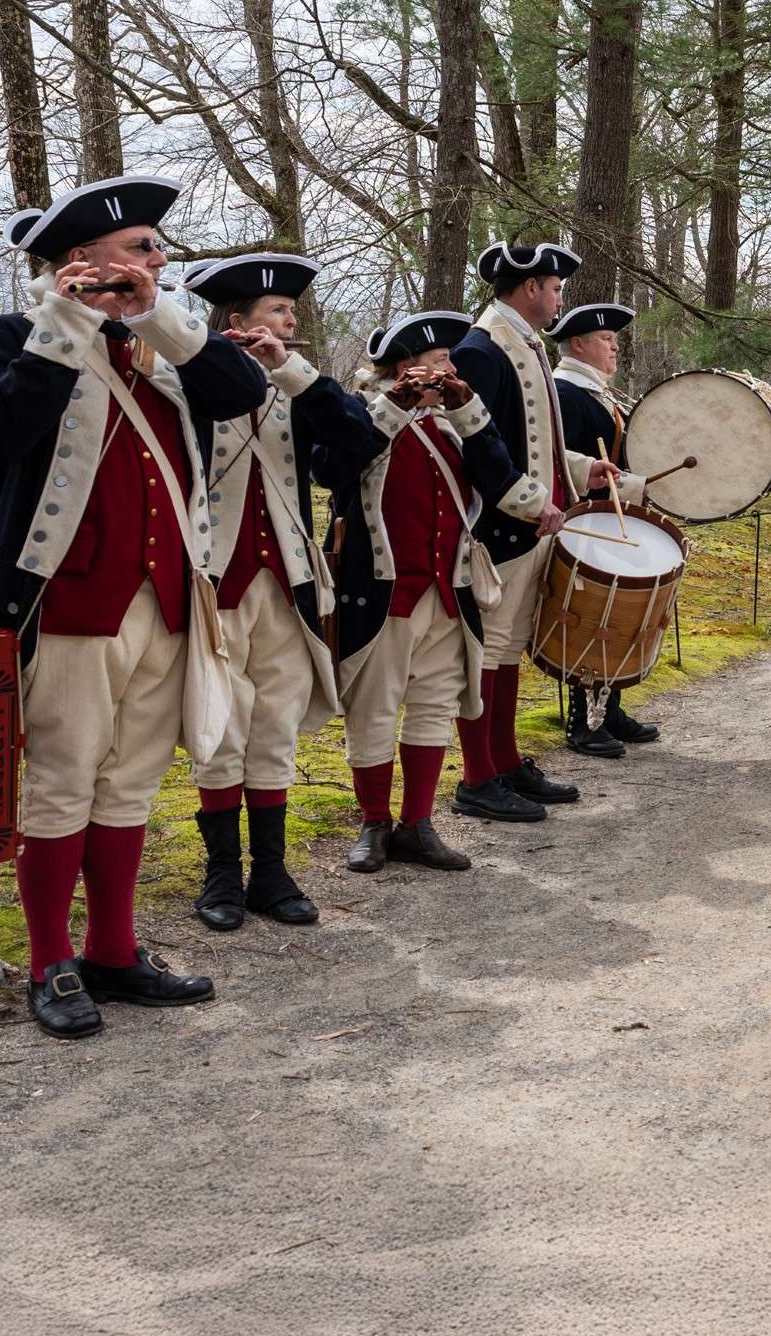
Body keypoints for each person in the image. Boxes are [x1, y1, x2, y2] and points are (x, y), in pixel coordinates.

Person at [0, 178, 267, 1038]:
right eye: (142, 247)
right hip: (67, 602)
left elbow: (239, 391)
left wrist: (155, 311)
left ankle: (113, 948)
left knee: (130, 781)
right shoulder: (12, 335)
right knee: (61, 783)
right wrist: (66, 322)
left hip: (166, 597)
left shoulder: (161, 341)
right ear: (80, 258)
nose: (159, 259)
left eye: (157, 248)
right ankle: (50, 960)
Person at [178, 253, 387, 931]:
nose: (292, 321)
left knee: (273, 728)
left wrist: (291, 370)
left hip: (289, 584)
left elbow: (359, 440)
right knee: (222, 730)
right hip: (213, 584)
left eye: (292, 312)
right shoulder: (188, 374)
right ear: (236, 319)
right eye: (278, 311)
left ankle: (270, 872)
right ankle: (221, 874)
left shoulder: (298, 385)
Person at [326, 312, 518, 874]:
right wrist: (397, 407)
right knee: (374, 711)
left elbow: (498, 475)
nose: (449, 369)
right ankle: (374, 823)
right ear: (406, 369)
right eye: (439, 362)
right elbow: (332, 468)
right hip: (384, 592)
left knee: (433, 709)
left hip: (448, 591)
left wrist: (466, 407)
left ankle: (418, 823)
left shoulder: (453, 423)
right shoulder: (362, 412)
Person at [449, 243, 621, 823]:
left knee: (507, 650)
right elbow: (478, 447)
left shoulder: (518, 342)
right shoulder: (480, 350)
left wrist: (580, 469)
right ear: (529, 289)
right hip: (497, 527)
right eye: (555, 289)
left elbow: (533, 440)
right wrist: (530, 502)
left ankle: (503, 760)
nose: (559, 300)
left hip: (528, 524)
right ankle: (477, 776)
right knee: (487, 652)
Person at [550, 301, 656, 758]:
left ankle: (609, 711)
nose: (615, 347)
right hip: (583, 522)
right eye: (605, 339)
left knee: (613, 616)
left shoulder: (597, 392)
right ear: (577, 344)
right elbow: (558, 460)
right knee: (590, 617)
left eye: (615, 340)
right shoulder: (565, 392)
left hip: (608, 517)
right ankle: (582, 722)